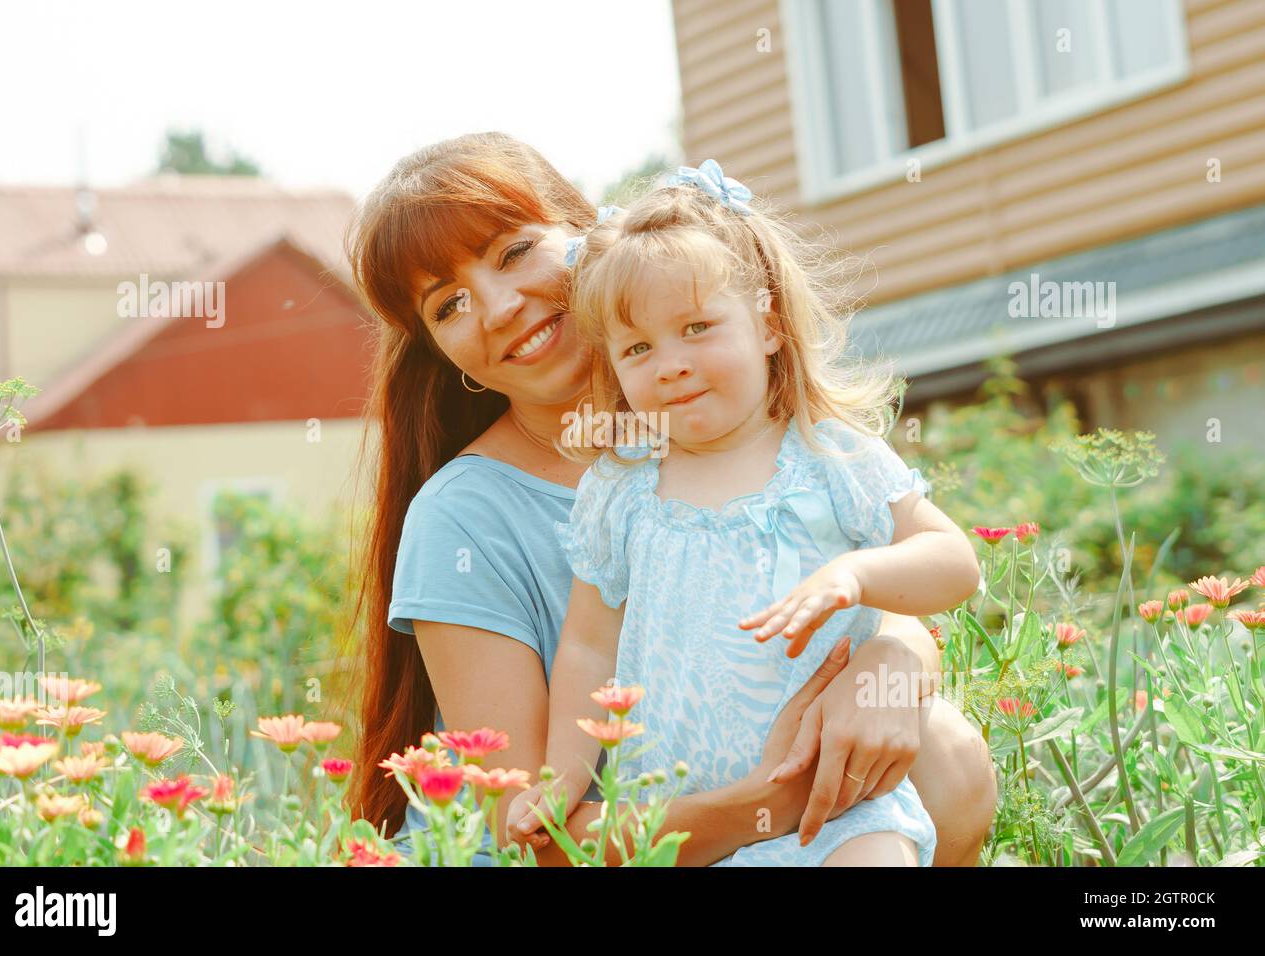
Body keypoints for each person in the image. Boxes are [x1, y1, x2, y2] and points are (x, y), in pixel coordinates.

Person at [345, 131, 997, 865]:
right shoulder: (464, 517)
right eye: (449, 304)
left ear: (585, 234)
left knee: (943, 751)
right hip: (620, 844)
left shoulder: (761, 433)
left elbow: (890, 576)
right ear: (439, 350)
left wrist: (889, 665)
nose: (496, 307)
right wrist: (768, 805)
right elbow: (533, 837)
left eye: (513, 251)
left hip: (780, 796)